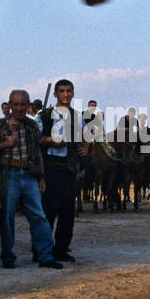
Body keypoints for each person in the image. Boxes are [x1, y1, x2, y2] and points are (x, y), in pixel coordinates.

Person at [0, 89, 62, 269]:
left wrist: (41, 177)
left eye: (23, 105)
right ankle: (8, 257)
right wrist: (4, 145)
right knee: (7, 217)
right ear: (10, 105)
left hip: (29, 176)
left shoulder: (31, 125)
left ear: (27, 106)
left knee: (39, 216)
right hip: (8, 175)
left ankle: (45, 256)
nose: (19, 108)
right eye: (16, 104)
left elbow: (37, 151)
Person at [37, 78, 88, 263]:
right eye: (62, 91)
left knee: (68, 213)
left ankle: (61, 250)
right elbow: (37, 140)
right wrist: (51, 141)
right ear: (55, 94)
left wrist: (86, 147)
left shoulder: (77, 116)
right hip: (50, 169)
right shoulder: (43, 116)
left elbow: (86, 136)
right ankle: (42, 250)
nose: (65, 94)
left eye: (69, 91)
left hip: (69, 170)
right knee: (48, 212)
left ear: (72, 93)